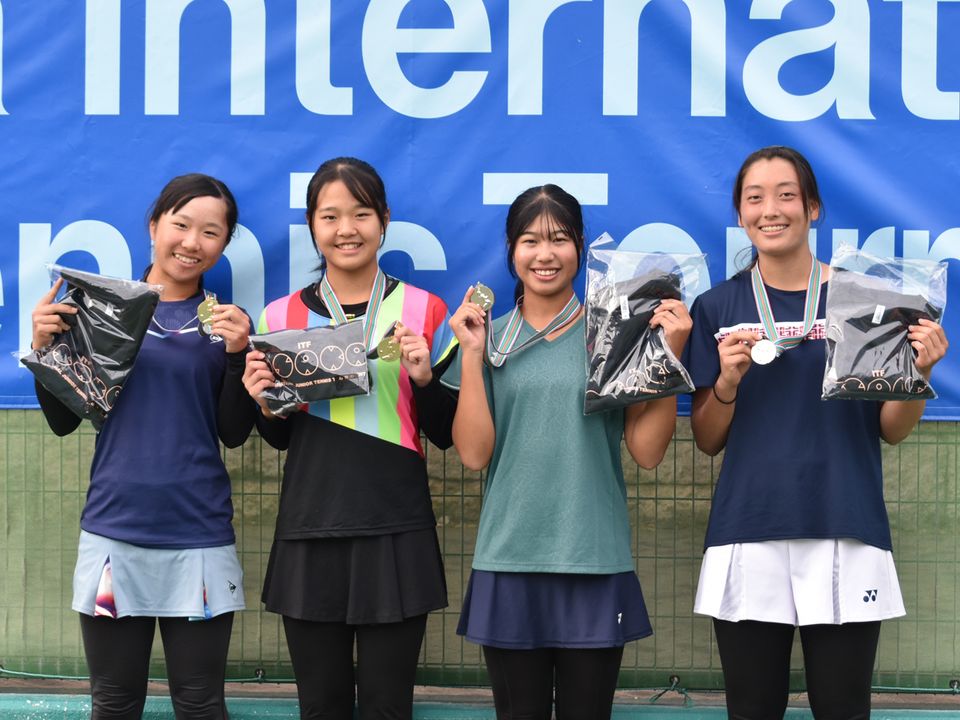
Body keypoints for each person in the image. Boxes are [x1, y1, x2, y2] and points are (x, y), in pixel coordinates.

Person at [685, 145, 949, 719]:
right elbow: (707, 437)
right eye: (755, 198)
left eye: (786, 195)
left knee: (843, 707)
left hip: (845, 525)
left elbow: (892, 429)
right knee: (753, 708)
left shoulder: (868, 303)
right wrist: (727, 380)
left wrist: (919, 372)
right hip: (748, 529)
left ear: (813, 209)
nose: (770, 209)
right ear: (739, 213)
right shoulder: (716, 306)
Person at [443, 184, 691, 720]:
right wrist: (471, 355)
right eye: (530, 240)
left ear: (579, 247)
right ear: (511, 251)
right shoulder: (491, 339)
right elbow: (473, 454)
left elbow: (646, 453)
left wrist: (668, 358)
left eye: (559, 239)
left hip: (592, 559)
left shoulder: (614, 336)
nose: (545, 254)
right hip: (509, 560)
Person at [32, 173, 256, 719]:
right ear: (154, 227)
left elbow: (233, 431)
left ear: (224, 245)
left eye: (210, 232)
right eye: (180, 225)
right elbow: (64, 422)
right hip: (115, 535)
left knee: (201, 702)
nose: (191, 242)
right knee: (114, 701)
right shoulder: (100, 312)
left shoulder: (225, 325)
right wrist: (45, 350)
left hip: (199, 536)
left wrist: (236, 354)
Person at [241, 157, 458, 720]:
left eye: (361, 213)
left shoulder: (423, 308)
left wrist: (424, 377)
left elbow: (441, 432)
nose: (346, 229)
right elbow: (280, 437)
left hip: (395, 526)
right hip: (311, 526)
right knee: (321, 708)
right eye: (330, 215)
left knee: (389, 709)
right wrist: (264, 402)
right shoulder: (279, 315)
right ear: (313, 226)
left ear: (384, 221)